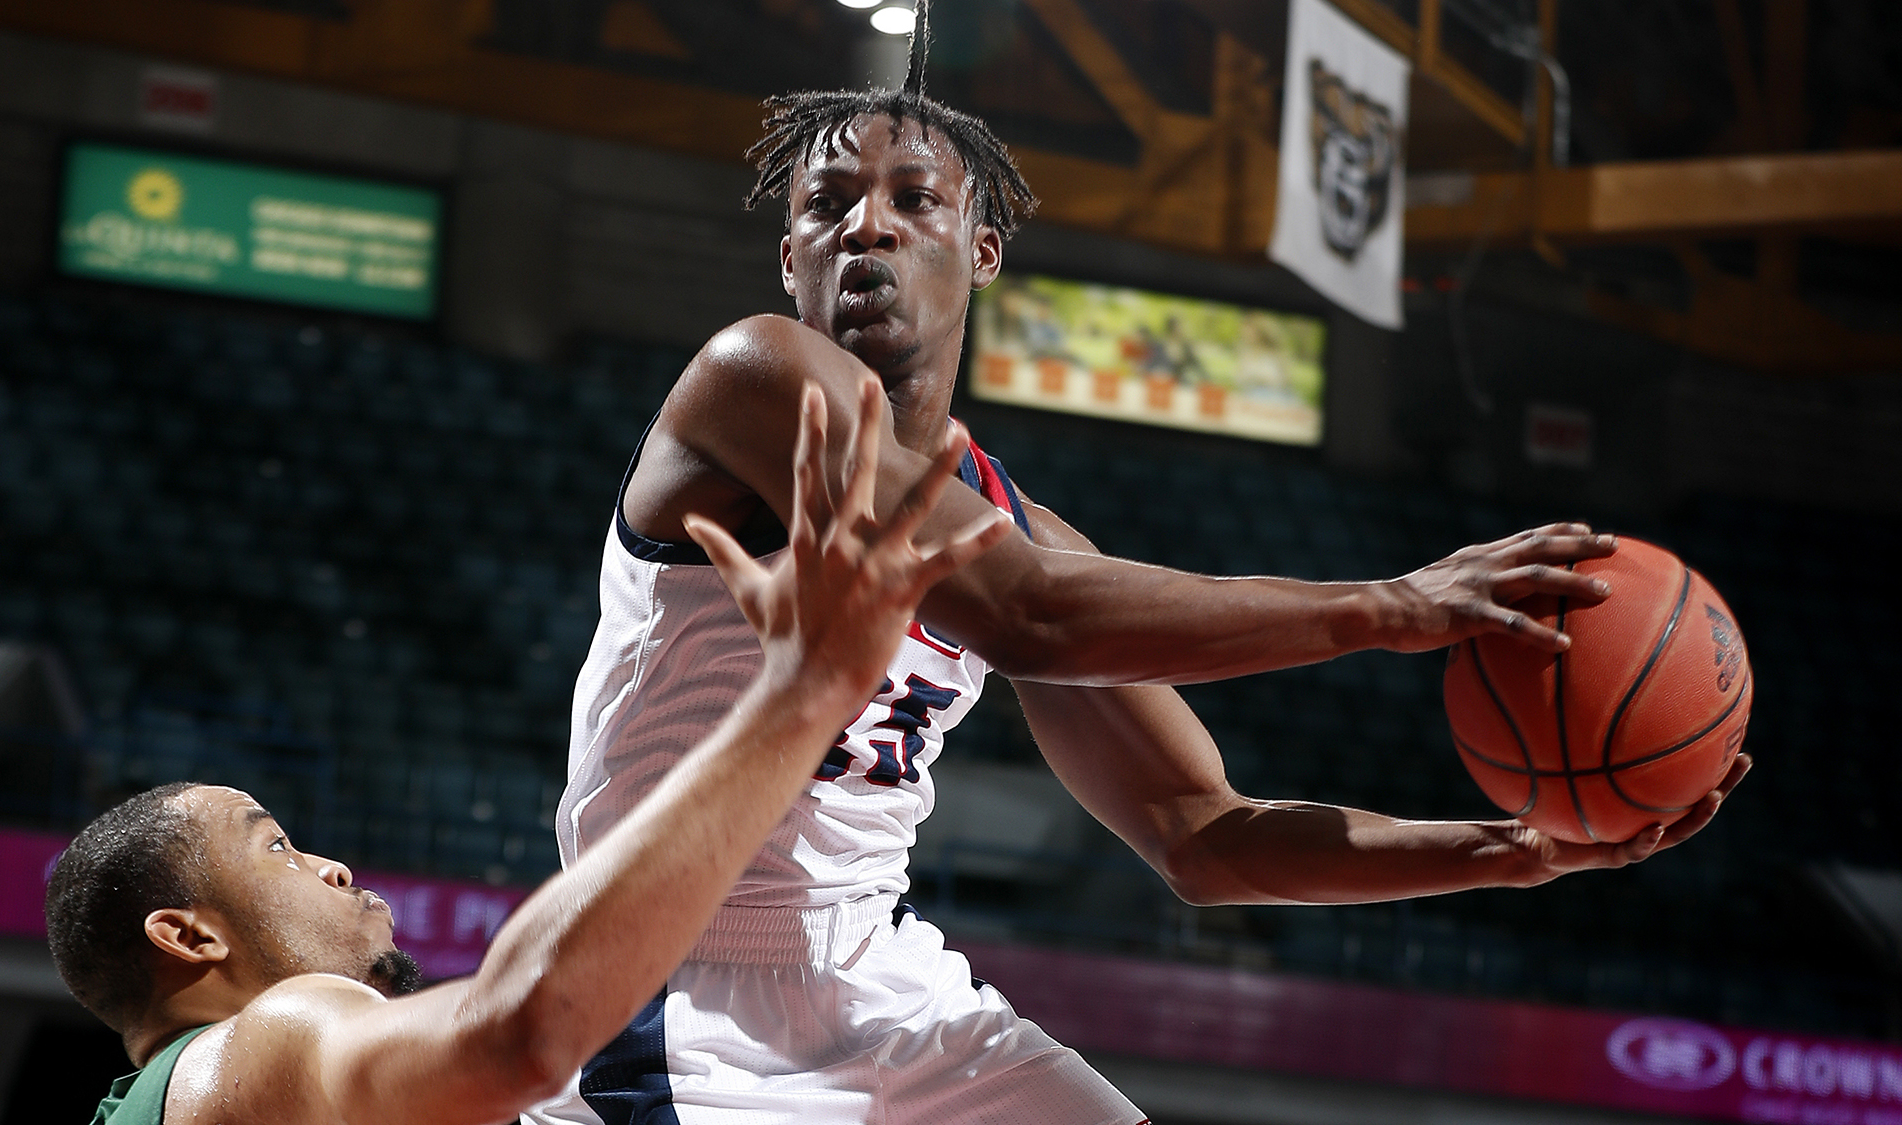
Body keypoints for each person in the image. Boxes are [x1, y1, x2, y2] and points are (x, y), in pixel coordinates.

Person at [530, 8, 1751, 1125]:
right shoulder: (753, 379)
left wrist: (1509, 851)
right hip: (671, 979)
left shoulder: (1023, 527)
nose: (866, 223)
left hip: (881, 979)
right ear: (787, 257)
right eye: (826, 202)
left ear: (981, 249)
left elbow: (1203, 836)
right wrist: (1390, 608)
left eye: (914, 198)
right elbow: (1031, 619)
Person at [45, 385, 1012, 1125]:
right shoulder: (270, 1042)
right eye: (276, 848)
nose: (330, 864)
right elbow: (524, 1033)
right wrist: (801, 694)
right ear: (188, 936)